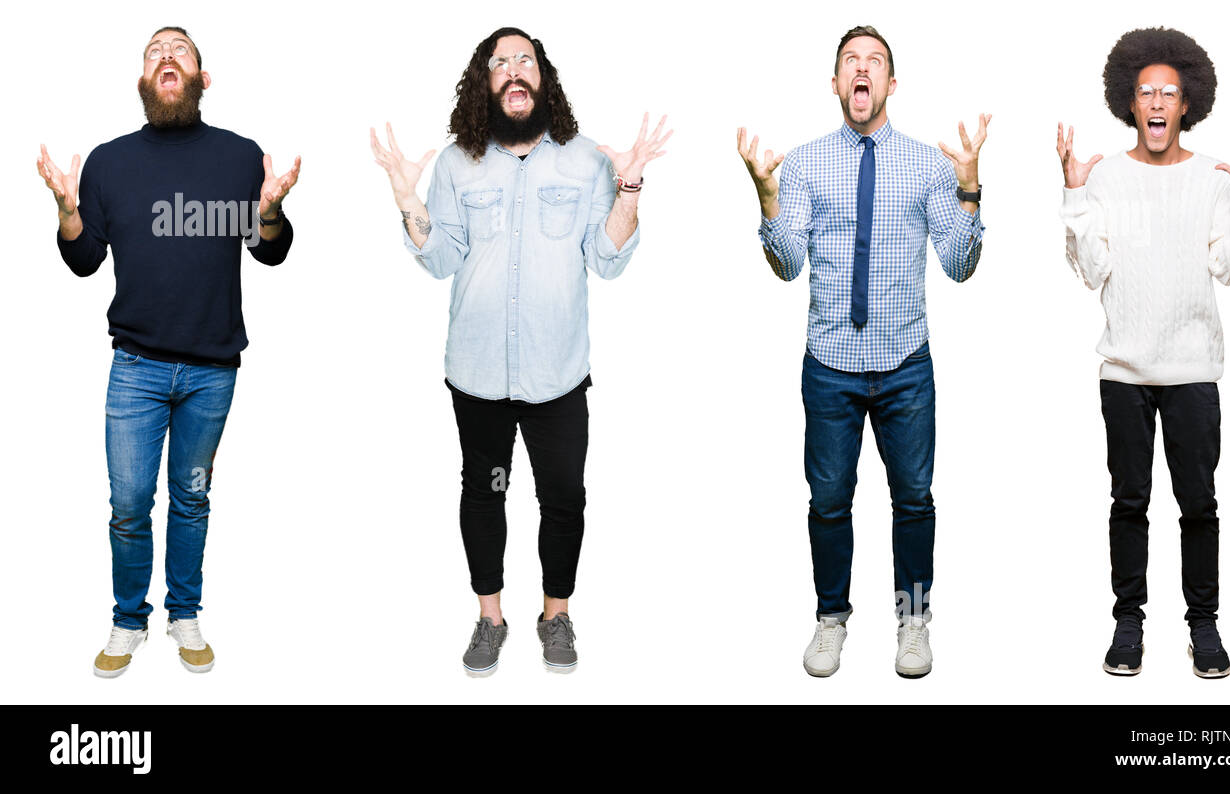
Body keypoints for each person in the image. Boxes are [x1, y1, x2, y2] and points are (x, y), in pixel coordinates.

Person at [371, 26, 669, 676]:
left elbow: (607, 260)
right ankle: (490, 618)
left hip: (558, 375)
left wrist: (631, 188)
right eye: (499, 63)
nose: (513, 71)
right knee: (485, 492)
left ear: (543, 78)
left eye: (524, 61)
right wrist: (404, 198)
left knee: (563, 497)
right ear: (484, 84)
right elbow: (440, 257)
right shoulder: (455, 163)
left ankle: (555, 614)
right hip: (476, 375)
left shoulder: (588, 158)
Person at [38, 26, 301, 677]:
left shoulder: (241, 157)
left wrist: (268, 210)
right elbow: (83, 258)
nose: (165, 57)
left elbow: (269, 249)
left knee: (191, 496)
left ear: (202, 78)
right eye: (154, 51)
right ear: (142, 80)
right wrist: (67, 209)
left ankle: (185, 612)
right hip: (136, 370)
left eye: (178, 50)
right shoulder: (109, 162)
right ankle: (130, 620)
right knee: (129, 503)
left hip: (213, 373)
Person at [738, 25, 989, 678]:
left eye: (875, 61)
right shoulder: (803, 164)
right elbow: (786, 265)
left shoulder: (929, 164)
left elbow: (960, 266)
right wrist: (766, 198)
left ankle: (913, 620)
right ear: (835, 82)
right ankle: (830, 619)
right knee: (828, 502)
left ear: (891, 84)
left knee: (914, 500)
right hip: (830, 371)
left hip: (906, 367)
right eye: (851, 60)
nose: (862, 69)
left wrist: (970, 187)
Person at [1057, 27, 1230, 679]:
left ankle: (1203, 625)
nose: (1155, 101)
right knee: (1130, 502)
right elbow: (1091, 272)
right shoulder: (1106, 177)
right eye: (1145, 90)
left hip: (1194, 371)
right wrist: (1073, 195)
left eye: (1168, 93)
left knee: (1199, 504)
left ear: (1185, 105)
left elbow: (1228, 265)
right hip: (1123, 372)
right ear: (1129, 101)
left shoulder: (1212, 179)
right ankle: (1128, 622)